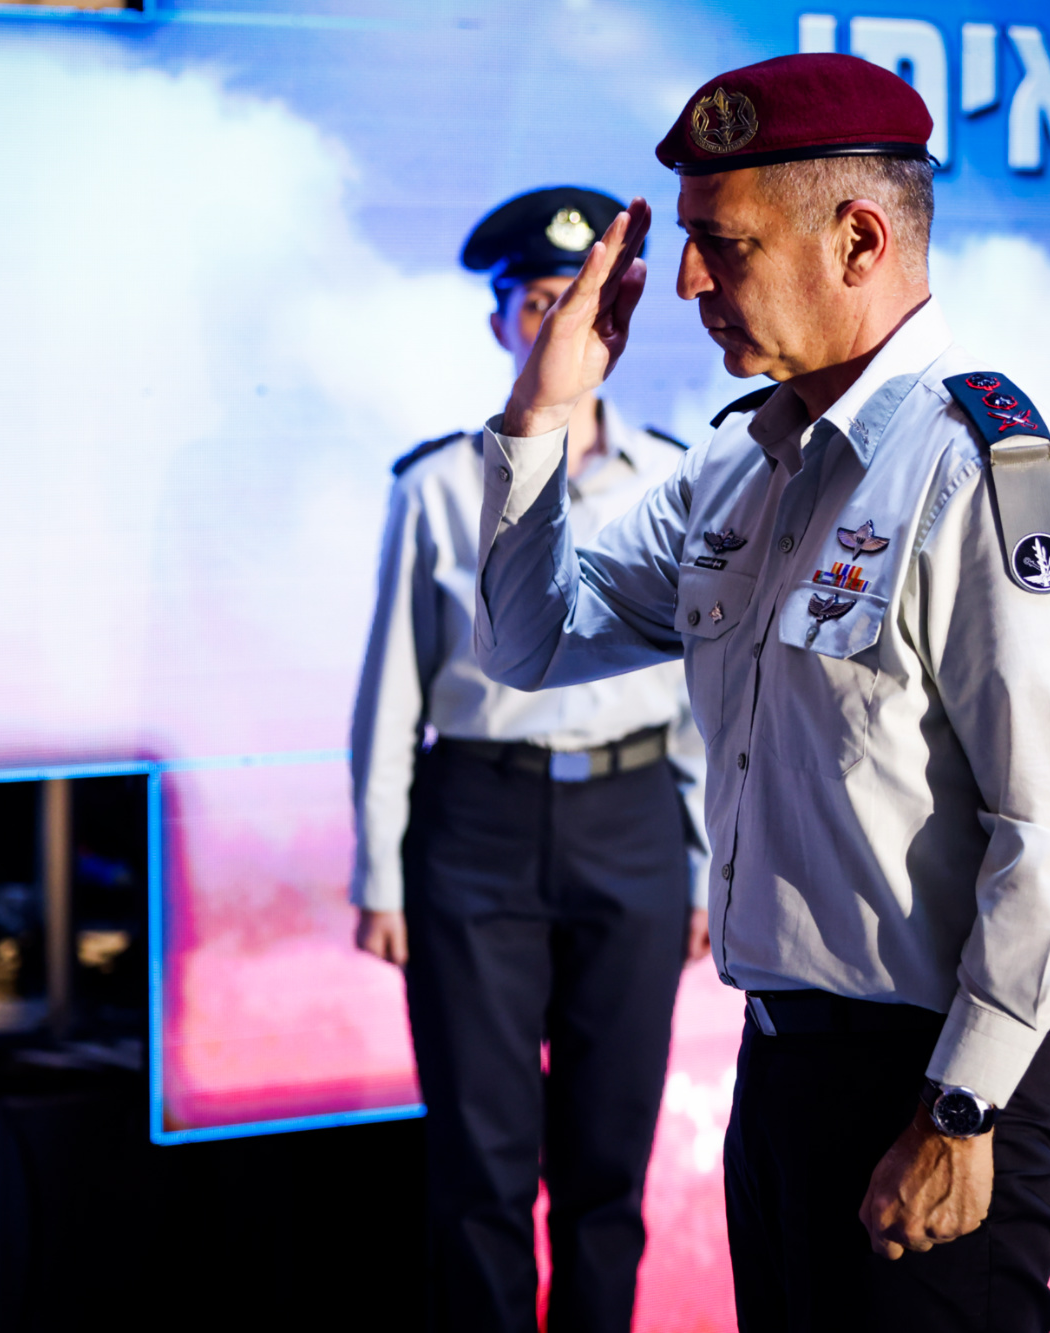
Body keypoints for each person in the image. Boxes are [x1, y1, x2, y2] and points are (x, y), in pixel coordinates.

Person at [470, 56, 1050, 1333]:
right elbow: (532, 642)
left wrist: (958, 1109)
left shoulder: (980, 471)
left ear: (858, 239)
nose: (682, 284)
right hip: (784, 1069)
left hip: (949, 1077)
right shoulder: (741, 467)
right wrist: (542, 412)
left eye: (721, 246)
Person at [349, 185, 711, 1333]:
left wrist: (702, 862)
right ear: (503, 322)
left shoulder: (671, 478)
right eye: (536, 302)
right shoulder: (438, 485)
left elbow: (703, 692)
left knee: (607, 1168)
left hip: (634, 822)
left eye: (580, 303)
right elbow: (390, 693)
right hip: (475, 829)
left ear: (612, 322)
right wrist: (379, 873)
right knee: (480, 1166)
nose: (556, 325)